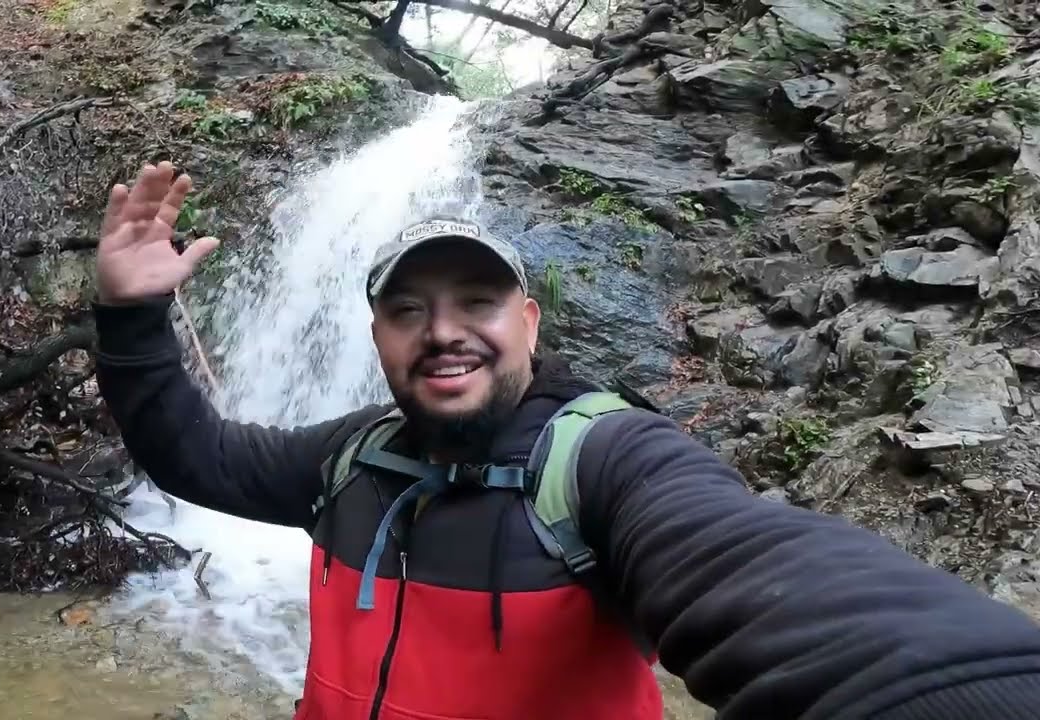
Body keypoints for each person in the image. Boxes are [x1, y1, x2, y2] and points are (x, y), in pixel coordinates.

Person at [91, 161, 1040, 720]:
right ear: (379, 337)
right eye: (409, 310)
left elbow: (756, 568)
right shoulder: (349, 457)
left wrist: (968, 687)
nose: (444, 331)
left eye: (477, 303)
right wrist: (134, 316)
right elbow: (196, 457)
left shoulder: (606, 460)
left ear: (532, 325)